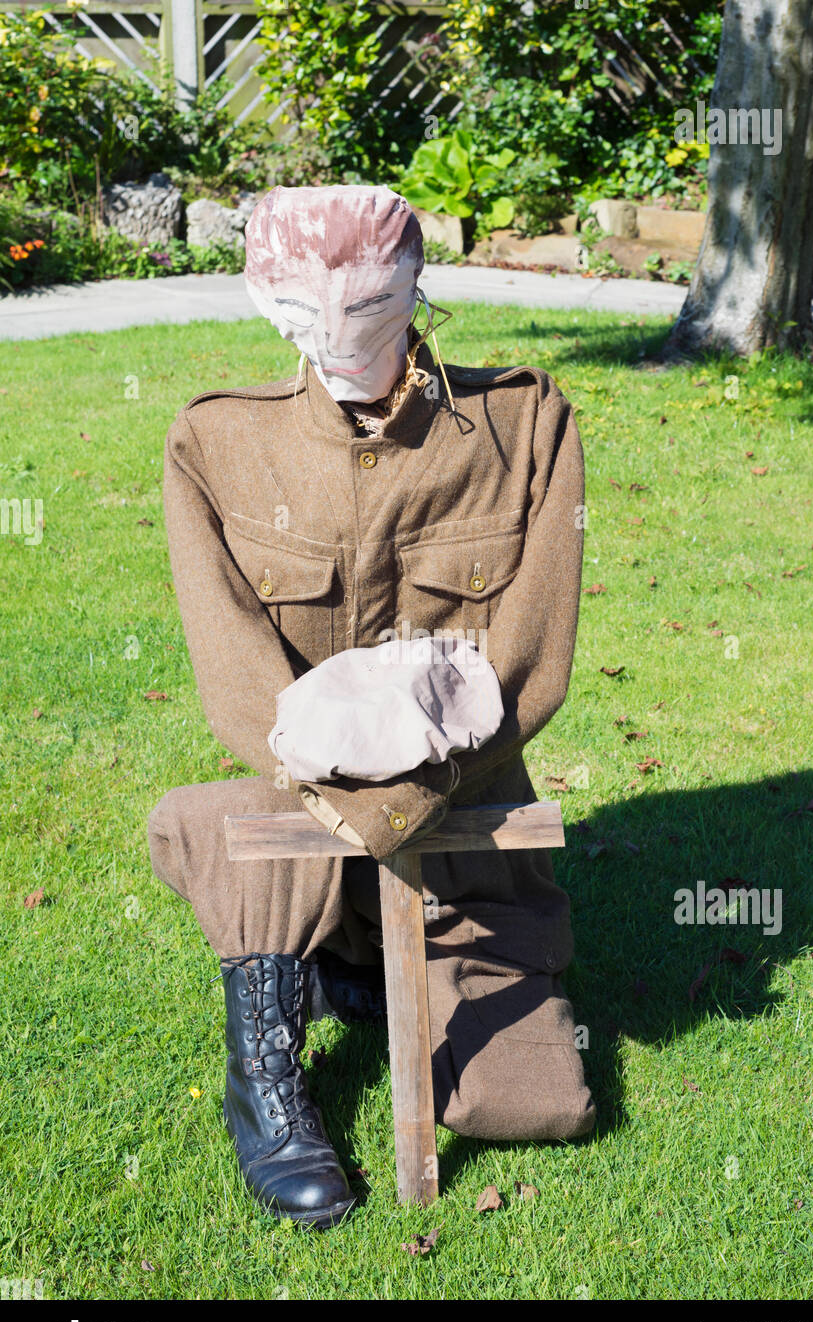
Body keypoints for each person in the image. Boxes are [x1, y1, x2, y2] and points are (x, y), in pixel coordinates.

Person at [147, 184, 596, 1230]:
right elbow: (235, 671)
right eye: (304, 313)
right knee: (234, 821)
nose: (338, 335)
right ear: (264, 305)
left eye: (369, 305)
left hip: (465, 815)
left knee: (528, 1099)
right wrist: (341, 789)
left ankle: (364, 966)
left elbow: (530, 658)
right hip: (295, 813)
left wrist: (411, 792)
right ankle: (267, 1063)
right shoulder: (216, 444)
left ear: (416, 285)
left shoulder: (524, 426)